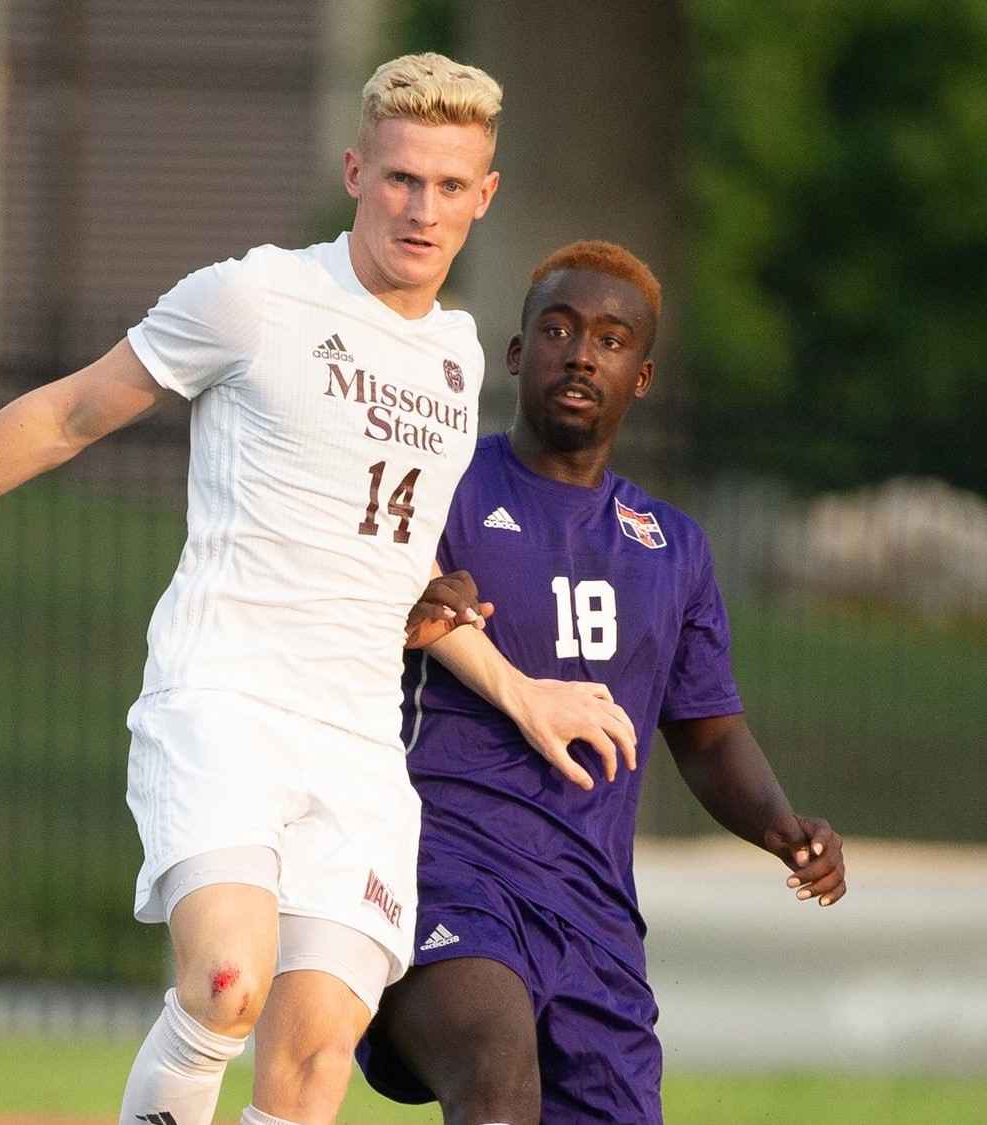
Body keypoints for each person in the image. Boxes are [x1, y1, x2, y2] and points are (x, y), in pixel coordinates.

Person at [0, 54, 620, 1125]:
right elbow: (65, 415)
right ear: (353, 170)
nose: (418, 209)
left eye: (446, 186)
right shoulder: (253, 296)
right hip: (225, 703)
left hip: (358, 750)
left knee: (315, 1062)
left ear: (483, 197)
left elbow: (401, 581)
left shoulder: (453, 353)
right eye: (397, 179)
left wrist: (521, 691)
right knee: (226, 983)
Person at [357, 240, 849, 1125]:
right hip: (446, 870)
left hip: (592, 913)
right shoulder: (443, 487)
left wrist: (781, 822)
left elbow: (708, 734)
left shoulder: (675, 546)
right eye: (558, 328)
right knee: (498, 1072)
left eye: (611, 339)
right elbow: (347, 607)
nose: (582, 352)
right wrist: (419, 603)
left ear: (643, 375)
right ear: (516, 354)